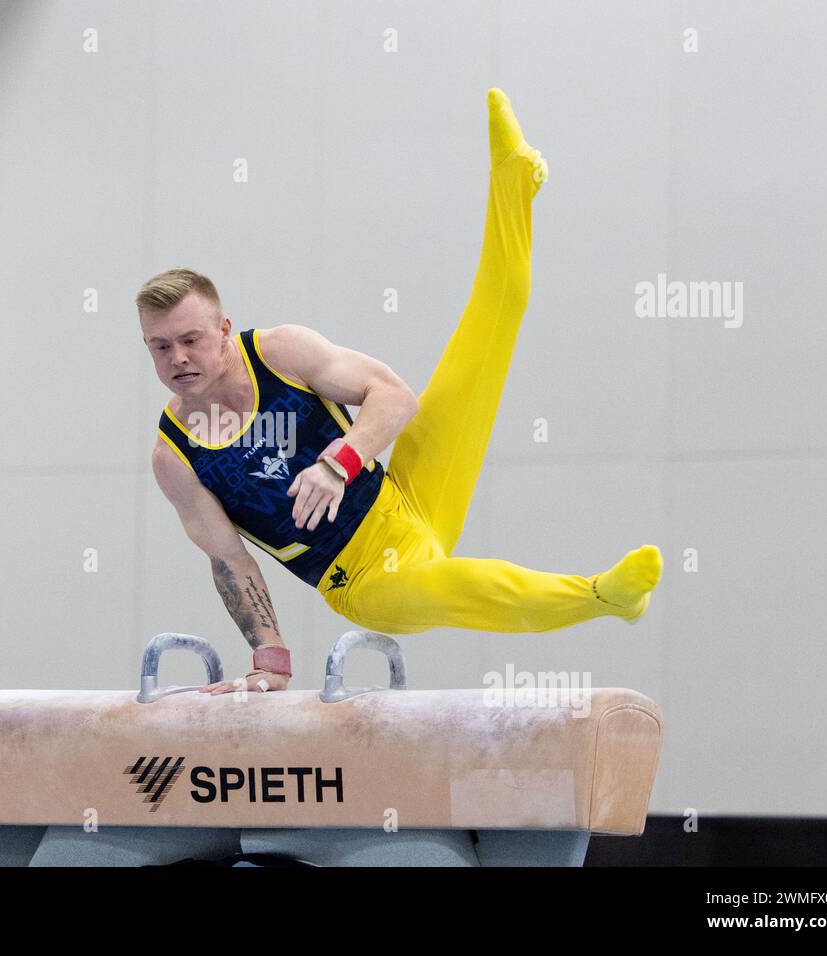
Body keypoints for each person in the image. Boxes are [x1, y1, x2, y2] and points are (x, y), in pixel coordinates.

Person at [142, 89, 662, 695]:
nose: (177, 358)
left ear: (224, 329)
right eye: (159, 346)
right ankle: (604, 596)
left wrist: (339, 462)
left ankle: (513, 181)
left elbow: (393, 396)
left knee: (486, 331)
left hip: (408, 496)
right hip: (365, 579)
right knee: (459, 587)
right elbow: (231, 561)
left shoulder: (280, 352)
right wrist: (271, 662)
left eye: (190, 339)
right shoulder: (175, 455)